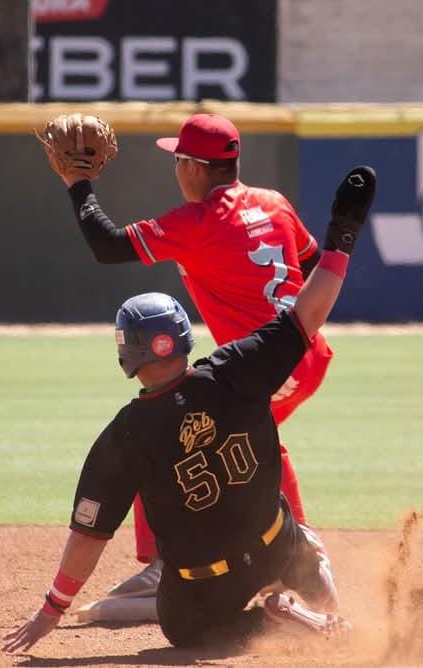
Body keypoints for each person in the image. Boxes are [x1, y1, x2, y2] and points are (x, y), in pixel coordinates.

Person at [3, 166, 375, 653]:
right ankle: (315, 601)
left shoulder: (127, 434)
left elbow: (88, 537)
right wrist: (343, 231)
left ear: (127, 357)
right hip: (274, 549)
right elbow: (311, 307)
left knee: (183, 629)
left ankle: (272, 622)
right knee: (294, 538)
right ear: (183, 336)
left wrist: (52, 608)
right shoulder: (238, 366)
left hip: (204, 586)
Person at [60, 113, 339, 605]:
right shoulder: (274, 203)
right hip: (307, 353)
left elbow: (106, 246)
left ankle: (177, 569)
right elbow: (316, 264)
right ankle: (300, 557)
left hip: (269, 369)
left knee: (162, 432)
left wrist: (78, 183)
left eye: (177, 161)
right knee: (252, 440)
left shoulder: (198, 223)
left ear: (192, 167)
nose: (175, 170)